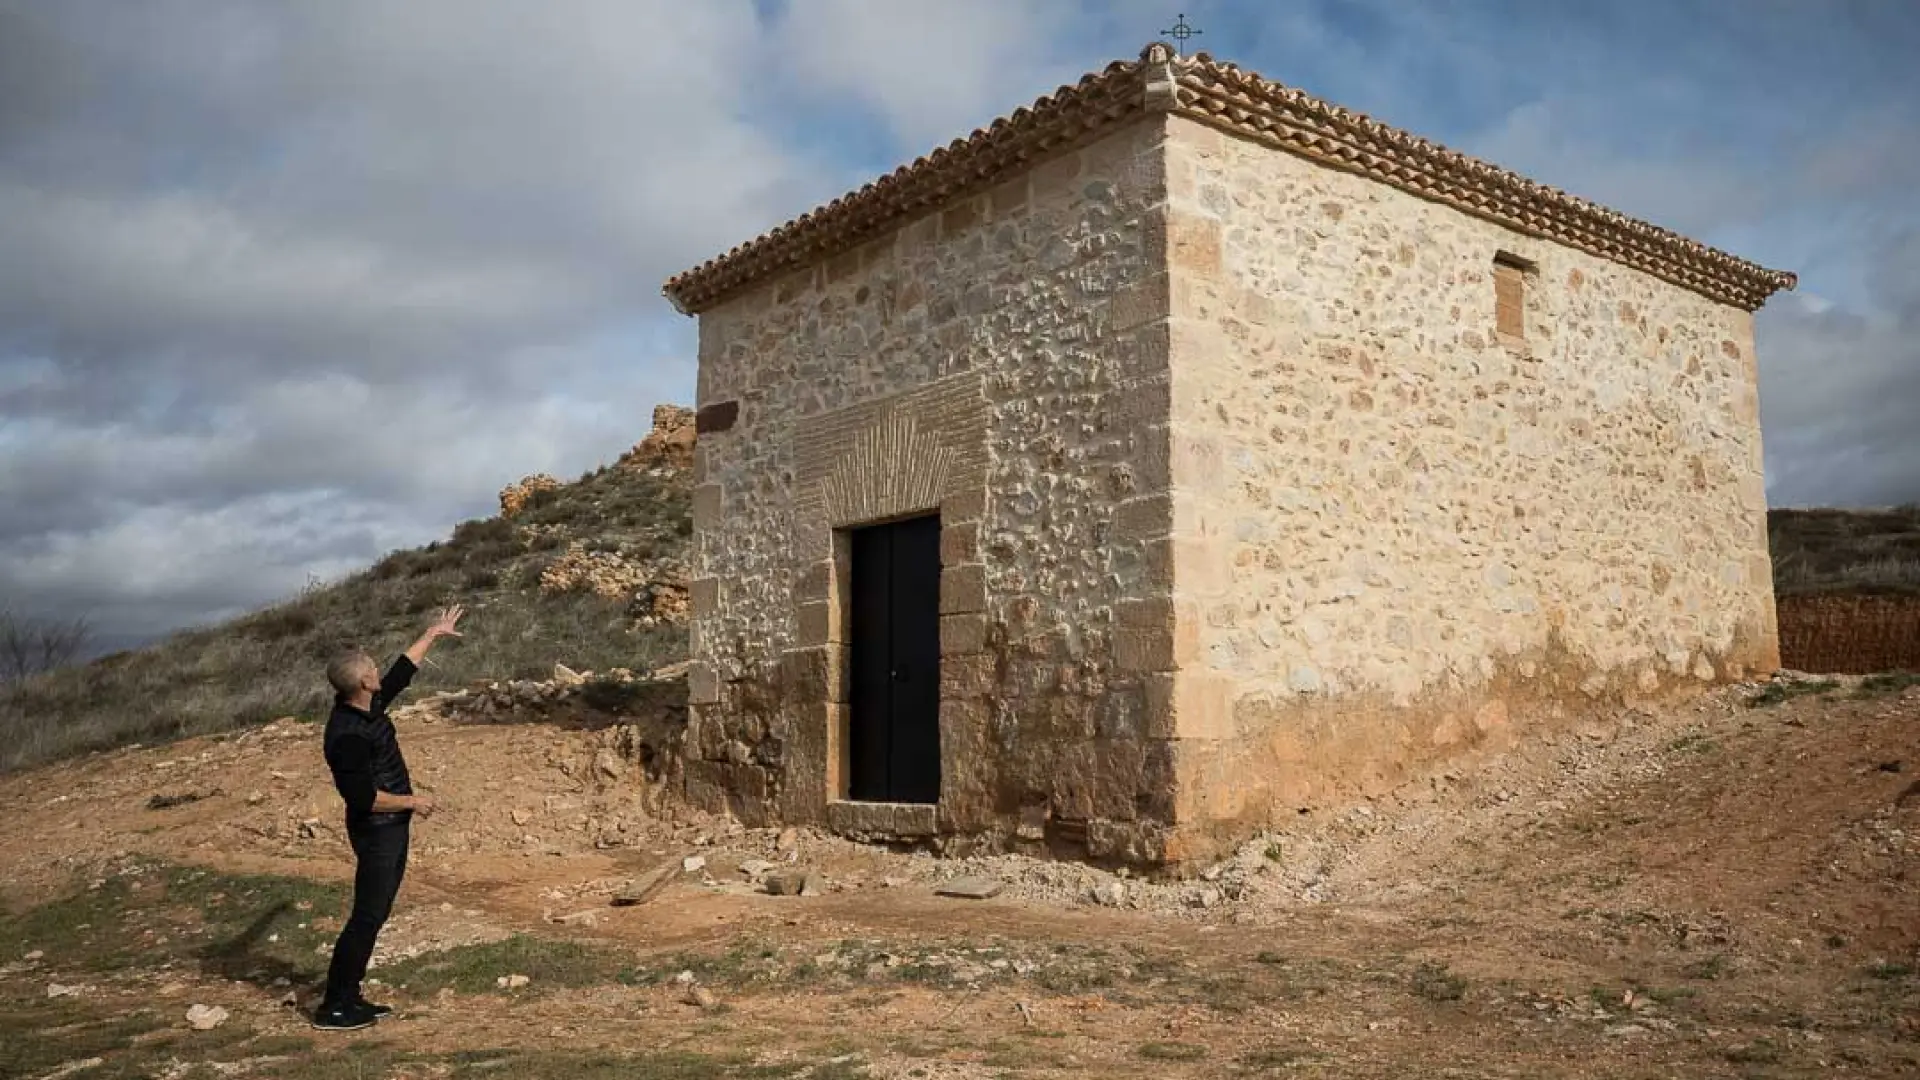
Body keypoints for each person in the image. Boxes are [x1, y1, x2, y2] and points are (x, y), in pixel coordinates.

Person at [312, 604, 464, 1031]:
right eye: (372, 668)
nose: (379, 671)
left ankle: (350, 995)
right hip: (377, 830)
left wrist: (433, 632)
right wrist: (413, 802)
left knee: (375, 913)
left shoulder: (367, 705)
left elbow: (402, 671)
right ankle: (335, 1006)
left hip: (391, 829)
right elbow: (362, 799)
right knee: (366, 915)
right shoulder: (347, 735)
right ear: (363, 681)